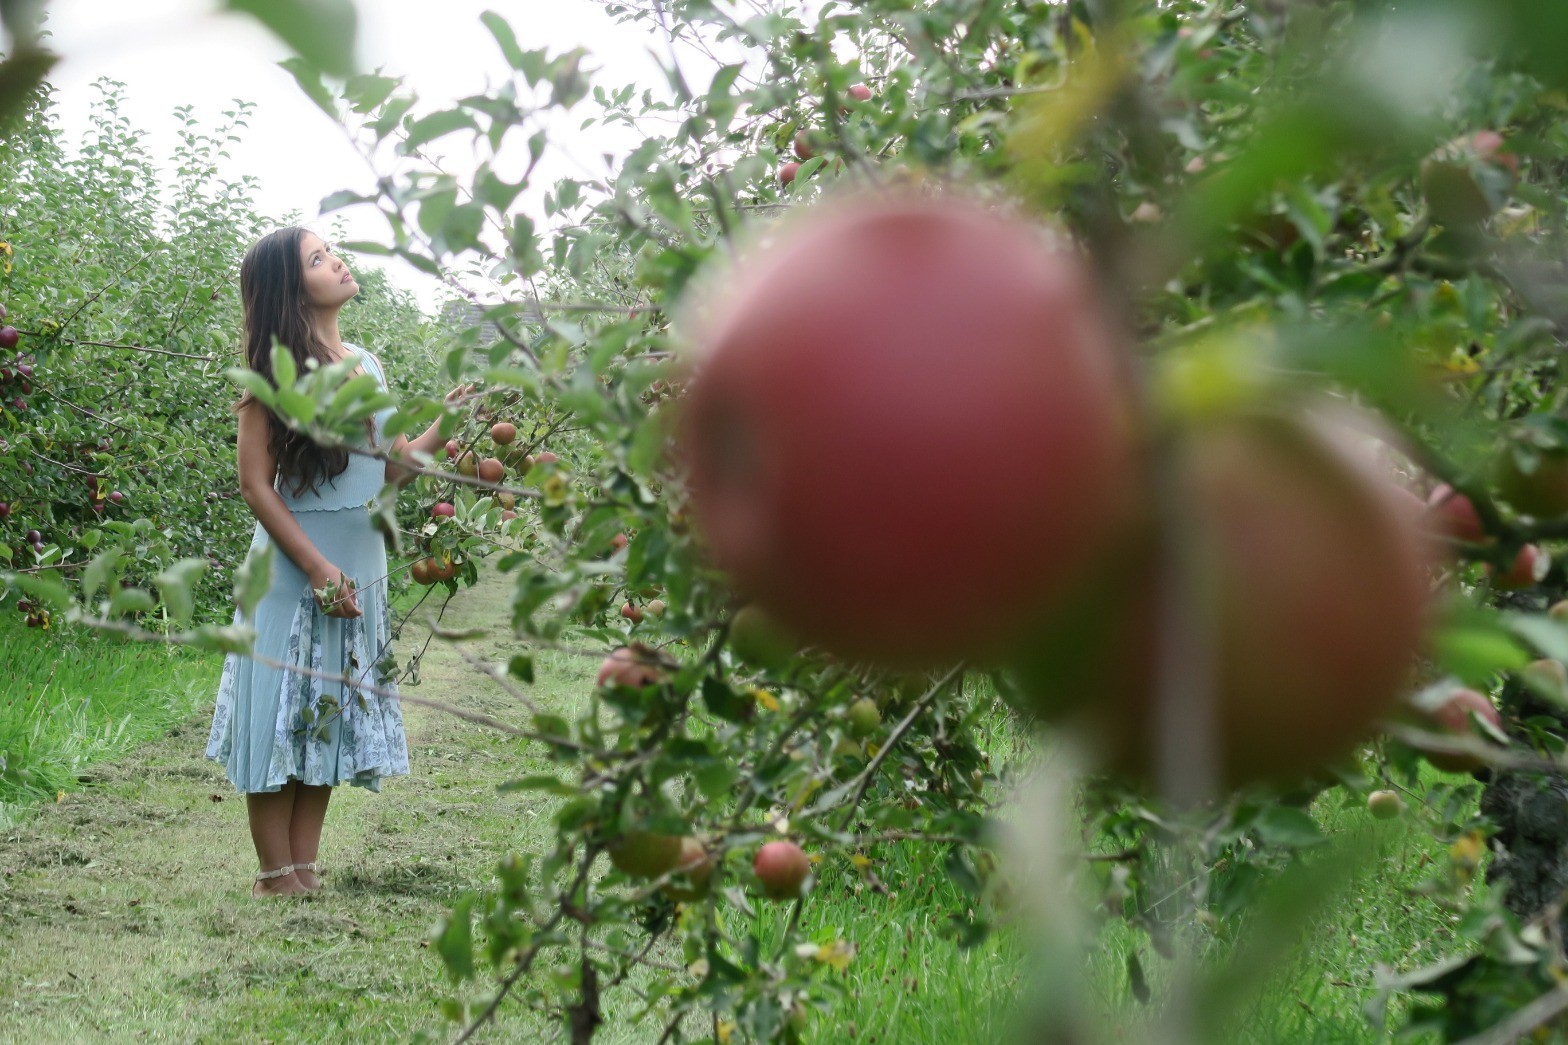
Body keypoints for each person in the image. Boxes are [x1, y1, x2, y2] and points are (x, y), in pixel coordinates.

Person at [205, 227, 463, 898]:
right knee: (278, 718)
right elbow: (255, 483)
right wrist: (318, 570)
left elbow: (394, 469)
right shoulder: (275, 376)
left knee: (328, 719)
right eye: (317, 260)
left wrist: (451, 422)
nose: (337, 261)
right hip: (296, 573)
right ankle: (273, 874)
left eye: (331, 252)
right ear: (292, 291)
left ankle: (305, 870)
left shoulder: (368, 366)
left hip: (361, 569)